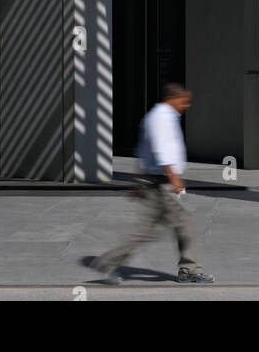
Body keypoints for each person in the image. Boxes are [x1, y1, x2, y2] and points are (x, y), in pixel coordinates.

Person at [92, 83, 215, 284]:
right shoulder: (162, 118)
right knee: (184, 224)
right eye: (184, 101)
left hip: (155, 181)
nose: (187, 105)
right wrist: (174, 179)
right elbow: (160, 151)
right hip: (162, 183)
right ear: (173, 98)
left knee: (151, 230)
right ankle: (189, 270)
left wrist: (138, 181)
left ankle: (110, 262)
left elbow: (143, 151)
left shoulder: (157, 117)